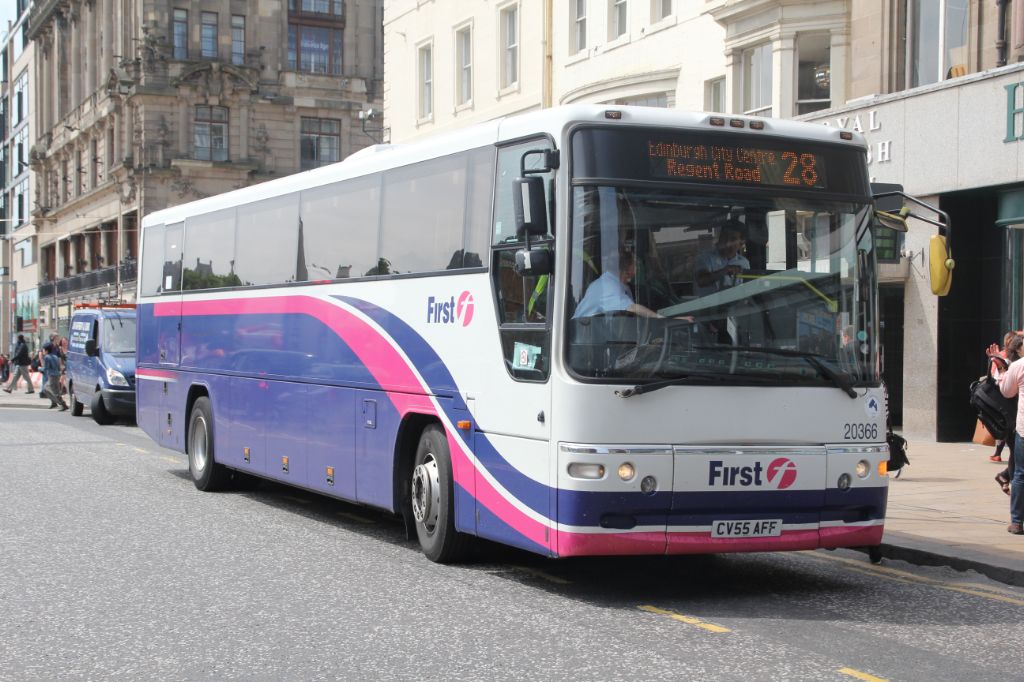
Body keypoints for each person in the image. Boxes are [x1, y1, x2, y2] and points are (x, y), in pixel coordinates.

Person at [573, 245, 662, 319]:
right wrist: (661, 319)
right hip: (583, 334)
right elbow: (632, 308)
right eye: (635, 264)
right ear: (628, 269)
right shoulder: (608, 287)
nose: (637, 268)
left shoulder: (611, 282)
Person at [996, 335, 1024, 534]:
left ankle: (1016, 522)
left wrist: (1003, 371)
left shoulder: (1018, 366)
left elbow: (1006, 392)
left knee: (1021, 474)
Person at [694, 220, 750, 297]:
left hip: (735, 307)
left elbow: (746, 289)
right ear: (720, 238)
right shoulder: (705, 258)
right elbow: (701, 281)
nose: (727, 243)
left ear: (741, 243)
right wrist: (724, 272)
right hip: (709, 307)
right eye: (724, 237)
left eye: (733, 239)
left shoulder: (744, 263)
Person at [42, 343, 68, 411]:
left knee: (51, 390)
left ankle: (63, 404)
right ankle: (54, 403)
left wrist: (39, 369)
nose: (43, 351)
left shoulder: (47, 357)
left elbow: (46, 368)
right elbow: (59, 367)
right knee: (52, 389)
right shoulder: (55, 356)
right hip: (57, 375)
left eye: (44, 350)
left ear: (46, 350)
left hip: (52, 376)